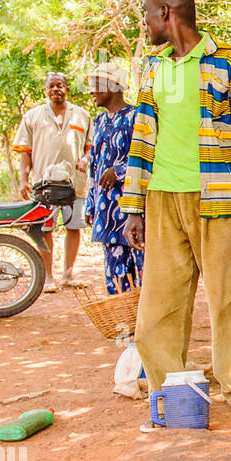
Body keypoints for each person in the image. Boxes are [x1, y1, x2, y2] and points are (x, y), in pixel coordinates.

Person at [121, 0, 231, 419]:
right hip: (163, 200)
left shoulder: (228, 63)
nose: (145, 25)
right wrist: (133, 207)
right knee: (159, 305)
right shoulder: (153, 66)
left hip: (219, 199)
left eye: (148, 15)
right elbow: (142, 139)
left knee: (229, 298)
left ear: (167, 13)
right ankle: (167, 390)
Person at [14, 71, 91, 292]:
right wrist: (23, 180)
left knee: (74, 227)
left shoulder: (81, 115)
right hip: (44, 184)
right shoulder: (33, 116)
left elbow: (90, 145)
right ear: (46, 90)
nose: (55, 89)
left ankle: (68, 274)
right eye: (51, 86)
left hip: (74, 183)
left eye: (60, 85)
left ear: (67, 88)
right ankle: (47, 278)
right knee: (45, 229)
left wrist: (85, 159)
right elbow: (25, 151)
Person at [83, 62, 143, 293]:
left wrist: (117, 171)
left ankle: (147, 326)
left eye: (96, 83)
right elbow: (94, 166)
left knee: (144, 269)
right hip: (106, 209)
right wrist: (90, 204)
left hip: (133, 209)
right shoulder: (99, 121)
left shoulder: (135, 116)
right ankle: (124, 325)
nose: (91, 90)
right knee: (116, 274)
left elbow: (147, 159)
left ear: (116, 85)